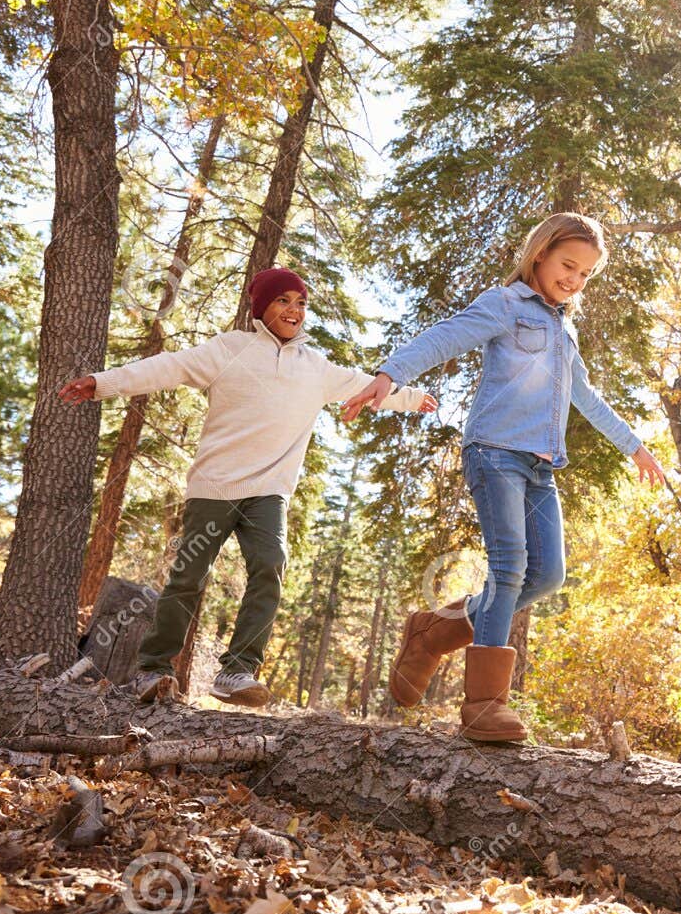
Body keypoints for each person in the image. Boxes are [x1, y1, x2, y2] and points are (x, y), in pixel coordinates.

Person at [343, 212, 664, 743]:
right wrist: (389, 375)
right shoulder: (505, 304)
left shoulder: (564, 329)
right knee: (510, 567)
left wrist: (634, 446)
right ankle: (484, 705)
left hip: (541, 467)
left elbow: (585, 396)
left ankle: (436, 630)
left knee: (547, 576)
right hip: (495, 452)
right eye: (568, 265)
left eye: (586, 274)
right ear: (539, 253)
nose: (574, 280)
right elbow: (444, 338)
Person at [59, 267, 435, 707]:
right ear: (262, 307)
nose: (294, 310)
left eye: (301, 303)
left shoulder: (315, 367)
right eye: (283, 301)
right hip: (214, 486)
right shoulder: (229, 350)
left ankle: (236, 670)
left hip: (269, 491)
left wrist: (409, 398)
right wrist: (102, 383)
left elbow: (366, 386)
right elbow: (167, 367)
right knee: (188, 578)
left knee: (270, 564)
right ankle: (152, 669)